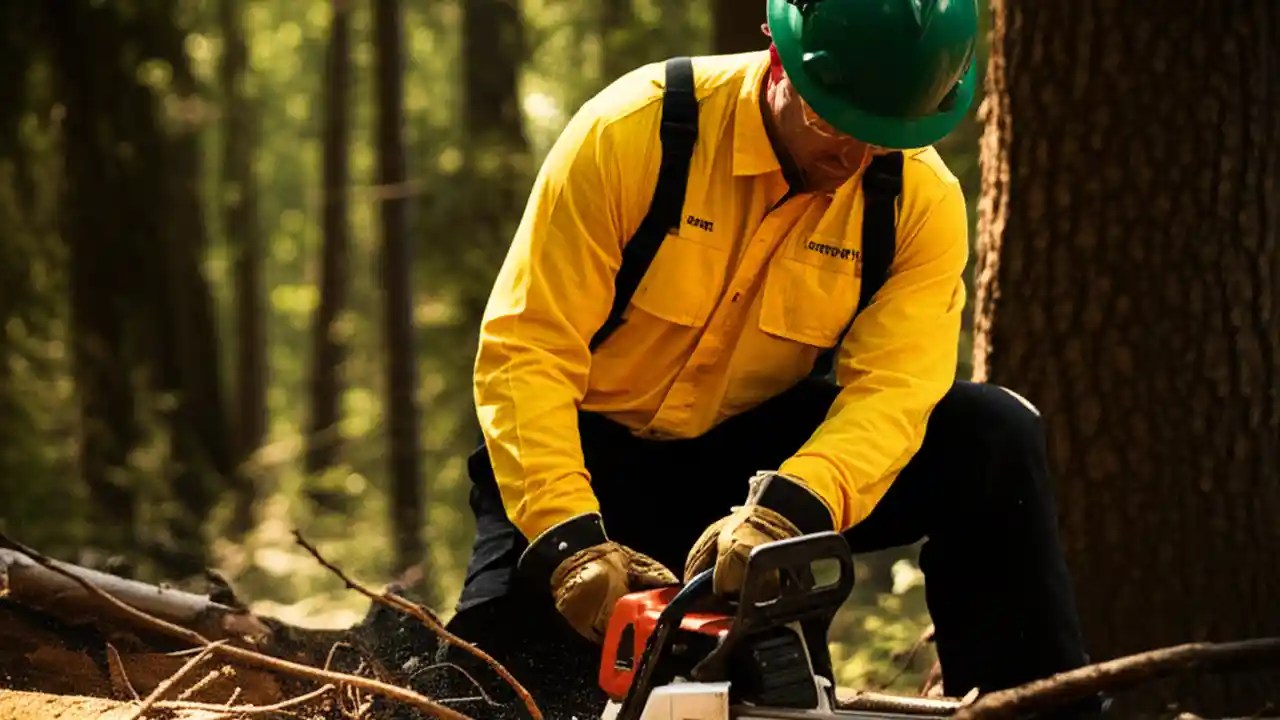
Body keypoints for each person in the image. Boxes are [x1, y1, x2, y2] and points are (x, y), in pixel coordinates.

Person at [425, 1, 1100, 718]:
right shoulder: (635, 132)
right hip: (587, 461)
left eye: (884, 138)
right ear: (778, 60)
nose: (853, 159)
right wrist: (570, 541)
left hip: (756, 479)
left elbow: (896, 393)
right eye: (835, 123)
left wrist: (789, 509)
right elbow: (528, 349)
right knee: (482, 693)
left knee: (993, 436)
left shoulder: (919, 202)